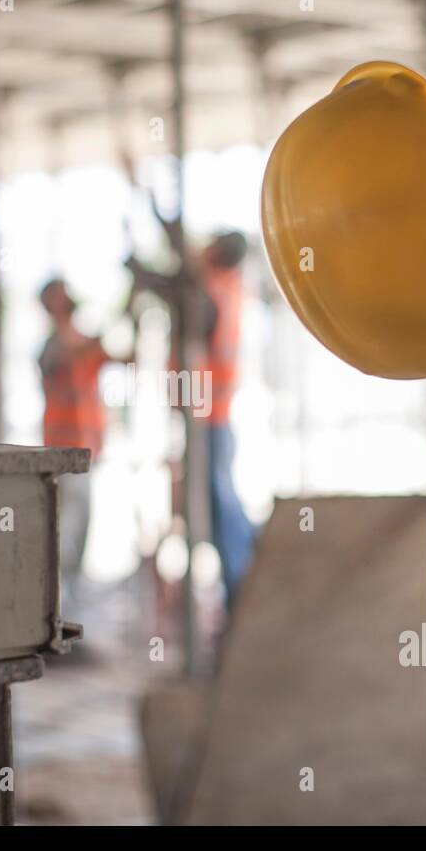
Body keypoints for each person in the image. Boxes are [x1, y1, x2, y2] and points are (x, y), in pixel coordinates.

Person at [125, 228, 256, 610]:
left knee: (218, 508)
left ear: (214, 253)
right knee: (216, 505)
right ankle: (240, 586)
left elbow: (174, 291)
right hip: (212, 420)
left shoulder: (208, 293)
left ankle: (241, 591)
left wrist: (141, 272)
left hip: (209, 422)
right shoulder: (225, 288)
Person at [38, 277, 112, 623]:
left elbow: (115, 355)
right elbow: (76, 354)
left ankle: (71, 612)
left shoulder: (79, 342)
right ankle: (57, 611)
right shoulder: (53, 347)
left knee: (81, 531)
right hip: (64, 455)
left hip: (87, 454)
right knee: (65, 533)